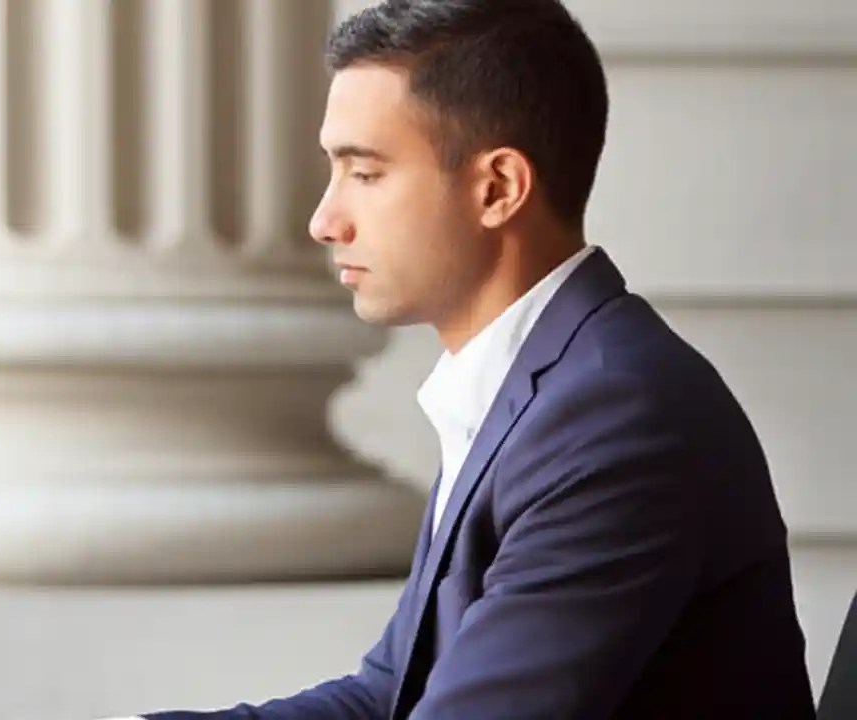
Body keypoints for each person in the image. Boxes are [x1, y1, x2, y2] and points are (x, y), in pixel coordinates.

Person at [133, 0, 817, 717]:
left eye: (363, 174)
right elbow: (386, 695)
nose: (324, 220)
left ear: (498, 189)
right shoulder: (535, 387)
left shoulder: (614, 418)